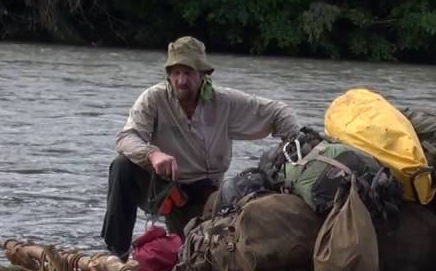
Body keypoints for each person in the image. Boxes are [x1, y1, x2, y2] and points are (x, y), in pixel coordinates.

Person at [101, 36, 301, 259]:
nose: (181, 80)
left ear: (203, 75)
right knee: (122, 166)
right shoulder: (154, 99)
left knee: (197, 254)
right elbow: (126, 138)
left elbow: (279, 112)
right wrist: (153, 154)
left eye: (188, 73)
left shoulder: (224, 102)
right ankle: (117, 253)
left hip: (206, 196)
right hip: (165, 188)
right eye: (176, 73)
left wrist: (295, 147)